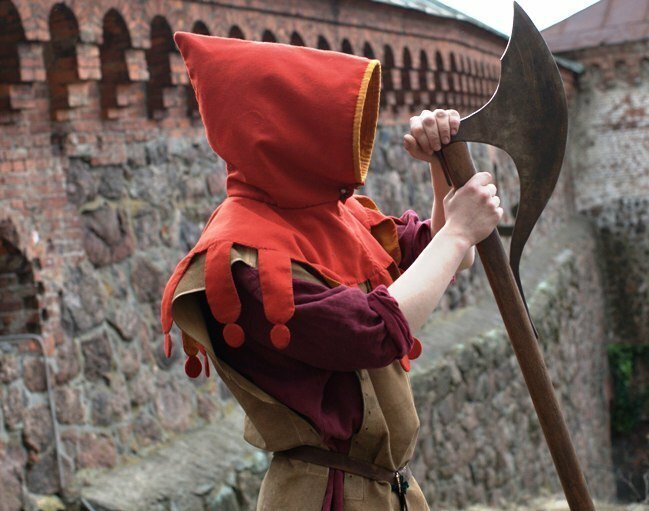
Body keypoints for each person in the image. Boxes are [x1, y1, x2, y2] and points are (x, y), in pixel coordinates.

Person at [160, 31, 503, 511]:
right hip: (324, 497)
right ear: (285, 131)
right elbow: (371, 332)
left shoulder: (330, 213)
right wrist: (459, 231)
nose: (343, 135)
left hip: (390, 492)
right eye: (324, 118)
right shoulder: (242, 258)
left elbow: (443, 259)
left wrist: (442, 163)